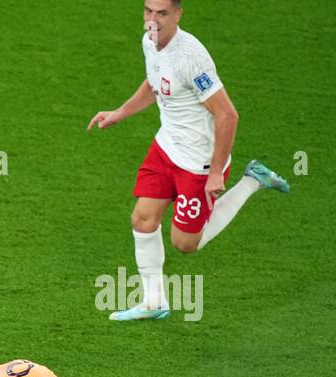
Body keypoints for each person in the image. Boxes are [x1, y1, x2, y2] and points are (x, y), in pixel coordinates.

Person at [88, 0, 290, 321]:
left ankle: (252, 180)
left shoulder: (191, 58)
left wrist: (214, 173)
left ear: (178, 14)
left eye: (162, 13)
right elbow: (156, 83)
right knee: (142, 219)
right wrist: (121, 112)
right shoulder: (149, 41)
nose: (153, 19)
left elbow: (227, 115)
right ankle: (154, 303)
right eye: (148, 11)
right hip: (166, 147)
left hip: (198, 161)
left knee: (185, 244)